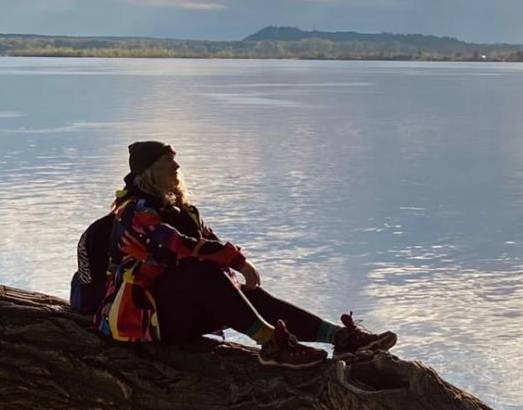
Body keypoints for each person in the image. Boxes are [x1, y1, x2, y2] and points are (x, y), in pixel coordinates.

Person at [89, 140, 396, 367]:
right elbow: (177, 246)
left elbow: (209, 241)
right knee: (202, 271)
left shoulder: (182, 210)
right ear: (152, 171)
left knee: (251, 294)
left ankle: (341, 339)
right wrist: (235, 260)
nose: (177, 167)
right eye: (169, 160)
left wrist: (237, 267)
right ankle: (272, 344)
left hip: (178, 310)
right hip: (136, 317)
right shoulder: (134, 212)